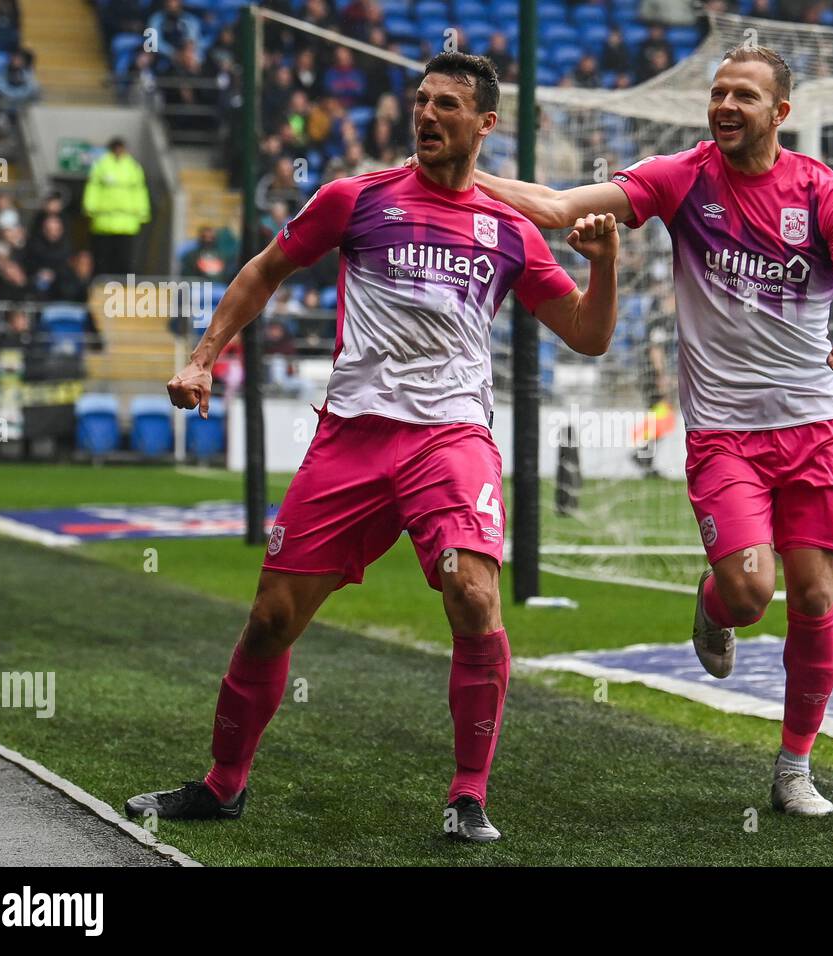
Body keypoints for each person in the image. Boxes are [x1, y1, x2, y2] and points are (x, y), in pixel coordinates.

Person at [124, 53, 620, 843]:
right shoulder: (357, 199)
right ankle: (222, 787)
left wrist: (605, 265)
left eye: (448, 105)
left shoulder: (512, 232)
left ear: (484, 124)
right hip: (352, 437)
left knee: (474, 596)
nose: (427, 115)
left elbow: (589, 336)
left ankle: (467, 797)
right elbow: (265, 269)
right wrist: (203, 355)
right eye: (421, 101)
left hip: (450, 440)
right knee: (269, 619)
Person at [457, 44, 833, 817]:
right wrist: (465, 168)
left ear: (779, 113)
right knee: (752, 592)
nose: (724, 105)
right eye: (717, 92)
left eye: (743, 96)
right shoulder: (682, 176)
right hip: (724, 432)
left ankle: (794, 770)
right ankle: (715, 601)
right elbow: (559, 207)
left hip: (815, 425)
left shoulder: (827, 194)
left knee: (816, 600)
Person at [81, 137, 151, 277]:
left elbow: (139, 190)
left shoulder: (133, 166)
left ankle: (124, 288)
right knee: (103, 259)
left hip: (127, 222)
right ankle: (101, 286)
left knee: (125, 259)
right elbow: (93, 188)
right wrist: (89, 207)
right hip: (104, 221)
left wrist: (143, 211)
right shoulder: (101, 165)